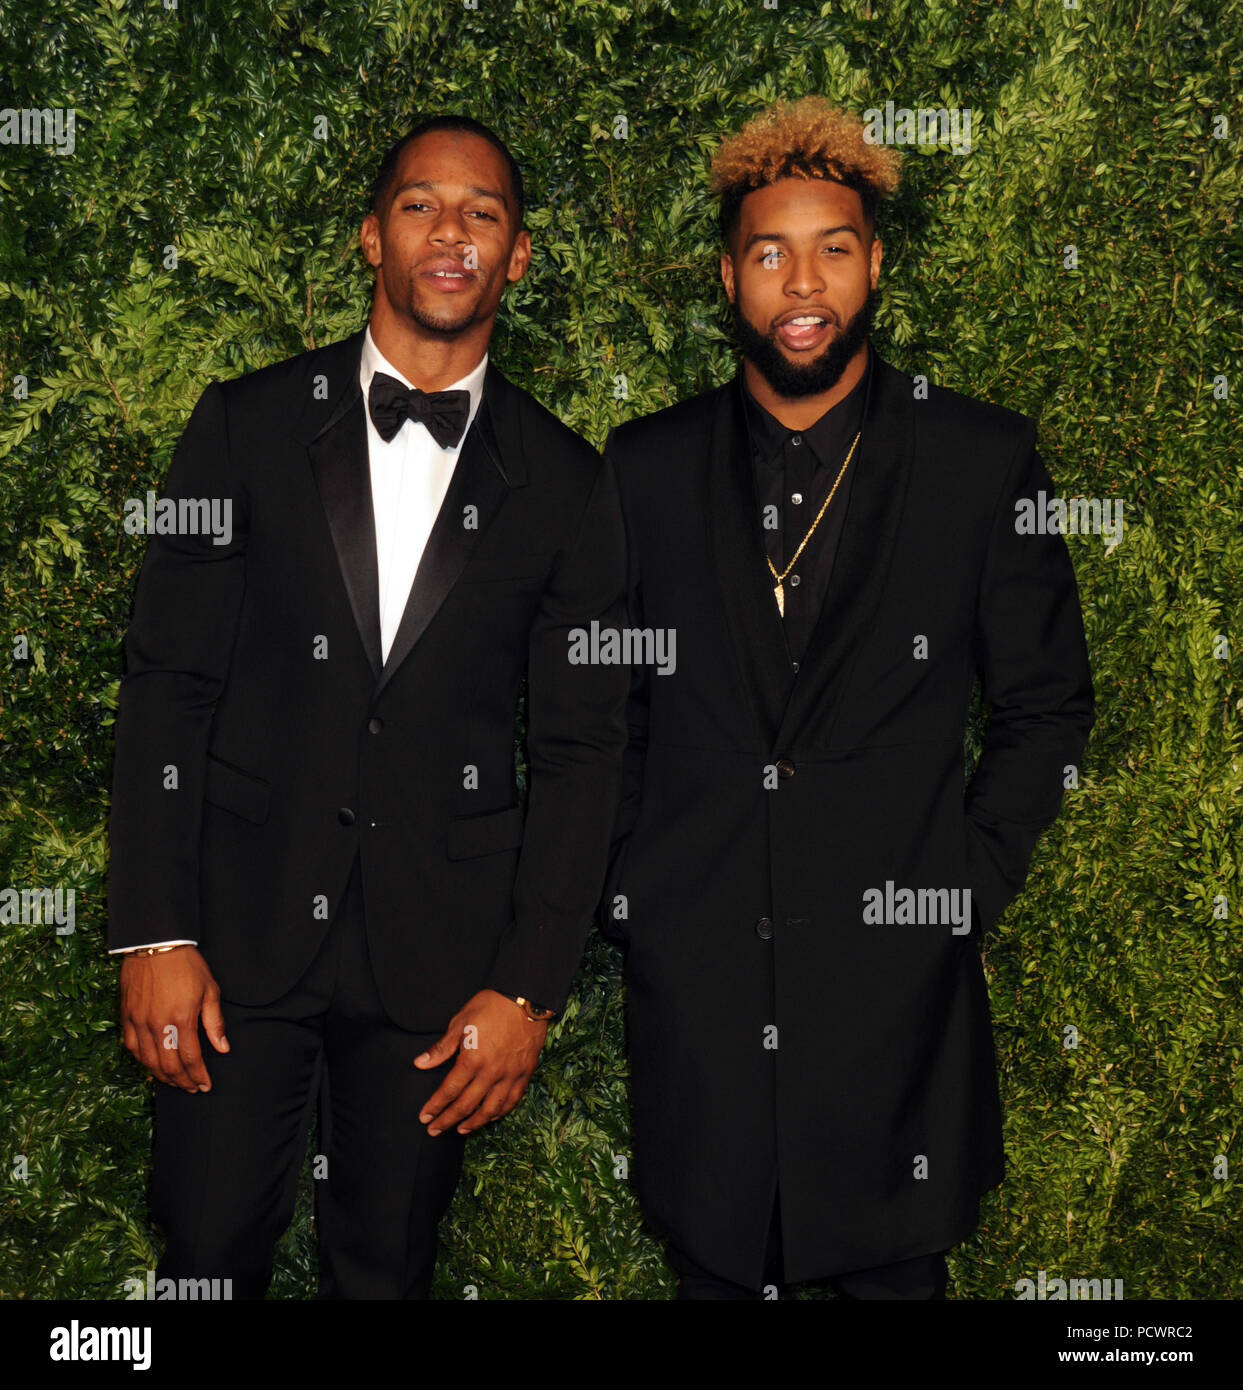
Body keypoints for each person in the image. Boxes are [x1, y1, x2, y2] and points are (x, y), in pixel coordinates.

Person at [108, 115, 628, 1299]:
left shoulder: (569, 481)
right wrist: (153, 931)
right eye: (420, 204)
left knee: (385, 1274)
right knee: (201, 1260)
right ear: (370, 234)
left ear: (520, 255)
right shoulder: (242, 424)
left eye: (483, 212)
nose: (452, 232)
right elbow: (167, 686)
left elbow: (584, 749)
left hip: (442, 975)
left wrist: (530, 986)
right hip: (229, 951)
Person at [601, 97, 1095, 1299]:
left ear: (874, 265)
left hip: (894, 1036)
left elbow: (1047, 705)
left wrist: (958, 886)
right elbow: (595, 715)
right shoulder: (643, 469)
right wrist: (637, 899)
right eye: (770, 253)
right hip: (701, 1029)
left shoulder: (978, 460)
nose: (802, 281)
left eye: (833, 247)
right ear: (729, 279)